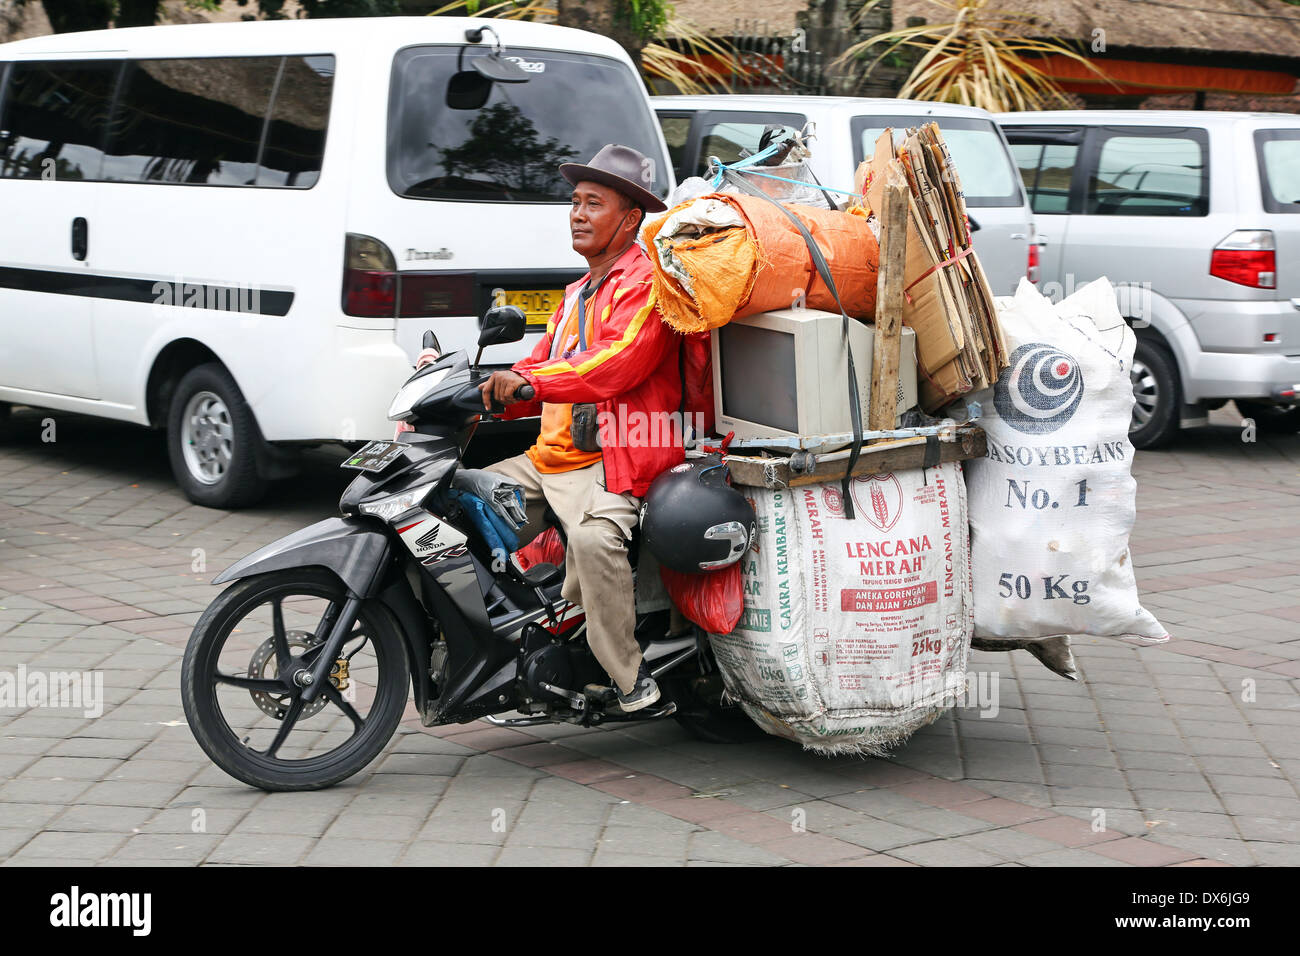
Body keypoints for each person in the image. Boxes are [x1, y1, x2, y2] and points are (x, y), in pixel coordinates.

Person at [477, 144, 684, 713]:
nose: (578, 213)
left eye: (594, 203)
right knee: (460, 499)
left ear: (631, 217)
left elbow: (615, 364)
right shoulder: (575, 294)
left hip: (613, 461)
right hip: (550, 459)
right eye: (574, 202)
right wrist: (480, 389)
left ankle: (630, 679)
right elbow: (537, 366)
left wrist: (529, 384)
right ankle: (509, 641)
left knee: (595, 541)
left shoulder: (646, 285)